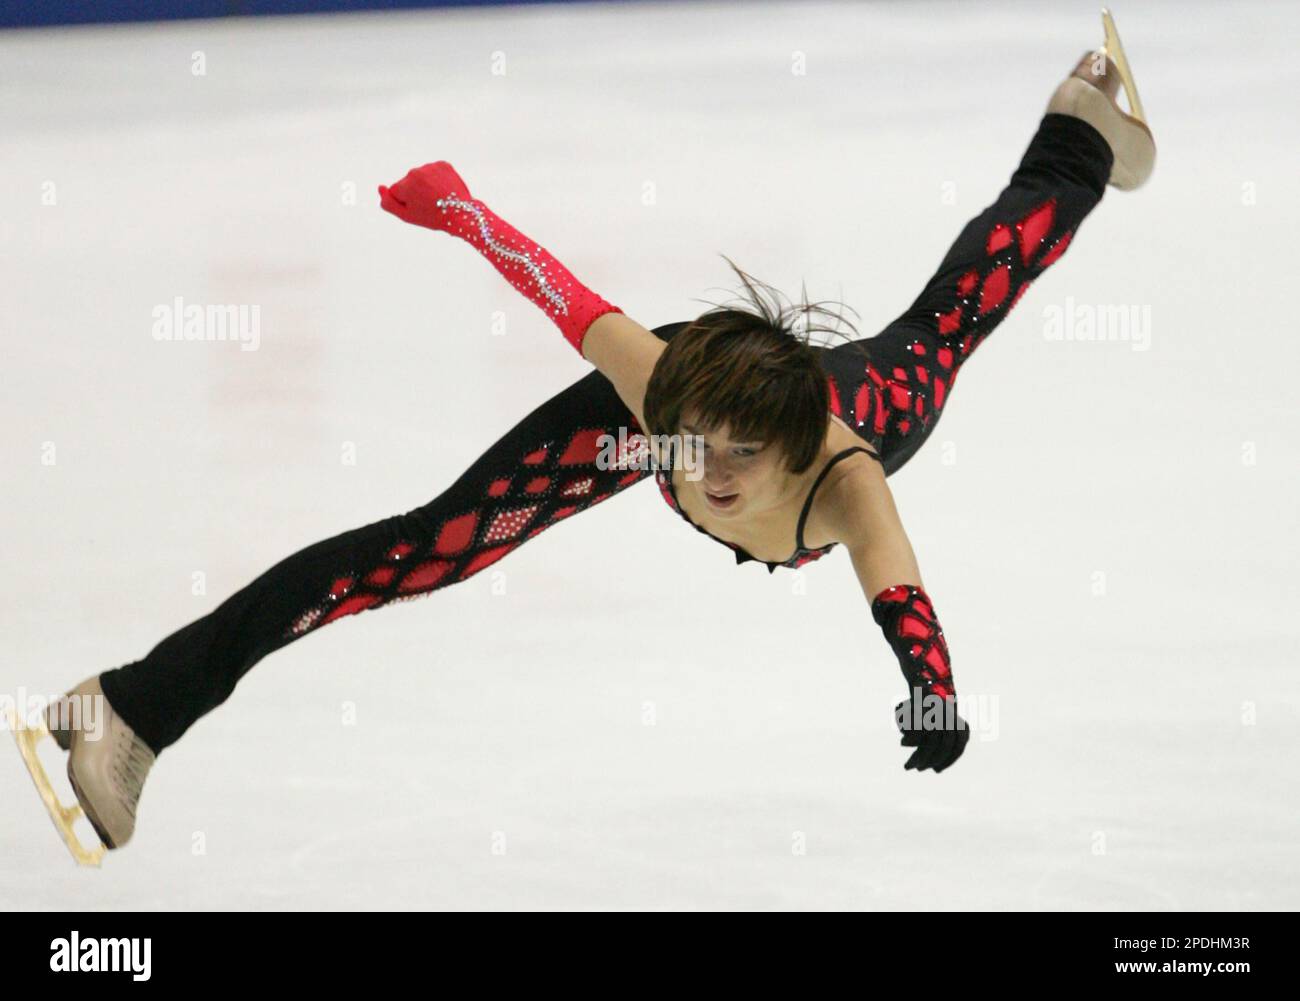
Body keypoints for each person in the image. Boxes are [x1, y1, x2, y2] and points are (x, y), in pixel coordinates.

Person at [14, 12, 1155, 862]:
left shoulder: (849, 479)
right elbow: (551, 283)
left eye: (732, 460)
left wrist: (930, 684)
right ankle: (133, 704)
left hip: (865, 397)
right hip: (638, 433)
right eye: (695, 446)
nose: (706, 478)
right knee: (427, 547)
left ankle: (1082, 126)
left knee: (959, 310)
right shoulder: (663, 404)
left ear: (795, 449)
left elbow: (899, 589)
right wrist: (454, 207)